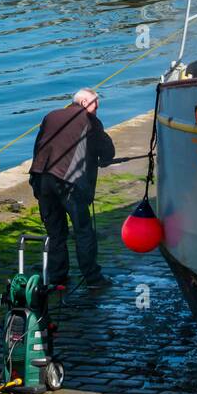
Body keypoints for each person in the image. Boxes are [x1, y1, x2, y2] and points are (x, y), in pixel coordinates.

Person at [29, 88, 116, 289]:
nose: (97, 110)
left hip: (42, 179)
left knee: (56, 232)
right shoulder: (89, 120)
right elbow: (107, 152)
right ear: (85, 103)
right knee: (83, 230)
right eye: (96, 105)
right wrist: (101, 159)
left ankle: (57, 276)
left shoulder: (50, 116)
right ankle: (93, 279)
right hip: (68, 182)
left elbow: (38, 148)